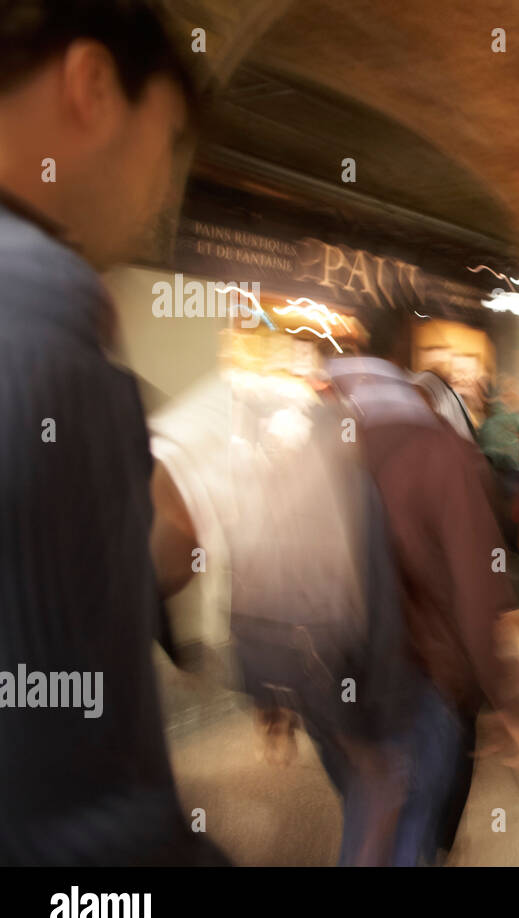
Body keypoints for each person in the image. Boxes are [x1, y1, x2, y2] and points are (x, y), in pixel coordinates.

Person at [0, 0, 222, 864]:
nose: (163, 186)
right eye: (167, 142)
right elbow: (86, 803)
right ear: (92, 85)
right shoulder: (45, 320)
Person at [327, 309, 519, 864]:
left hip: (340, 673)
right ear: (405, 359)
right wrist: (508, 695)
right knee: (412, 823)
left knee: (371, 812)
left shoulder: (322, 438)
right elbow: (476, 591)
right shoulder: (442, 452)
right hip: (420, 677)